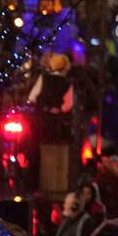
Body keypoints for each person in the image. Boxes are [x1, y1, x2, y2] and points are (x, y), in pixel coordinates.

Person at [29, 53, 75, 196]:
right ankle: (55, 184)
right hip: (56, 124)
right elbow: (68, 105)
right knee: (55, 151)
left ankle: (35, 185)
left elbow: (32, 98)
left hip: (39, 121)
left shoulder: (44, 78)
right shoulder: (67, 83)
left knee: (37, 152)